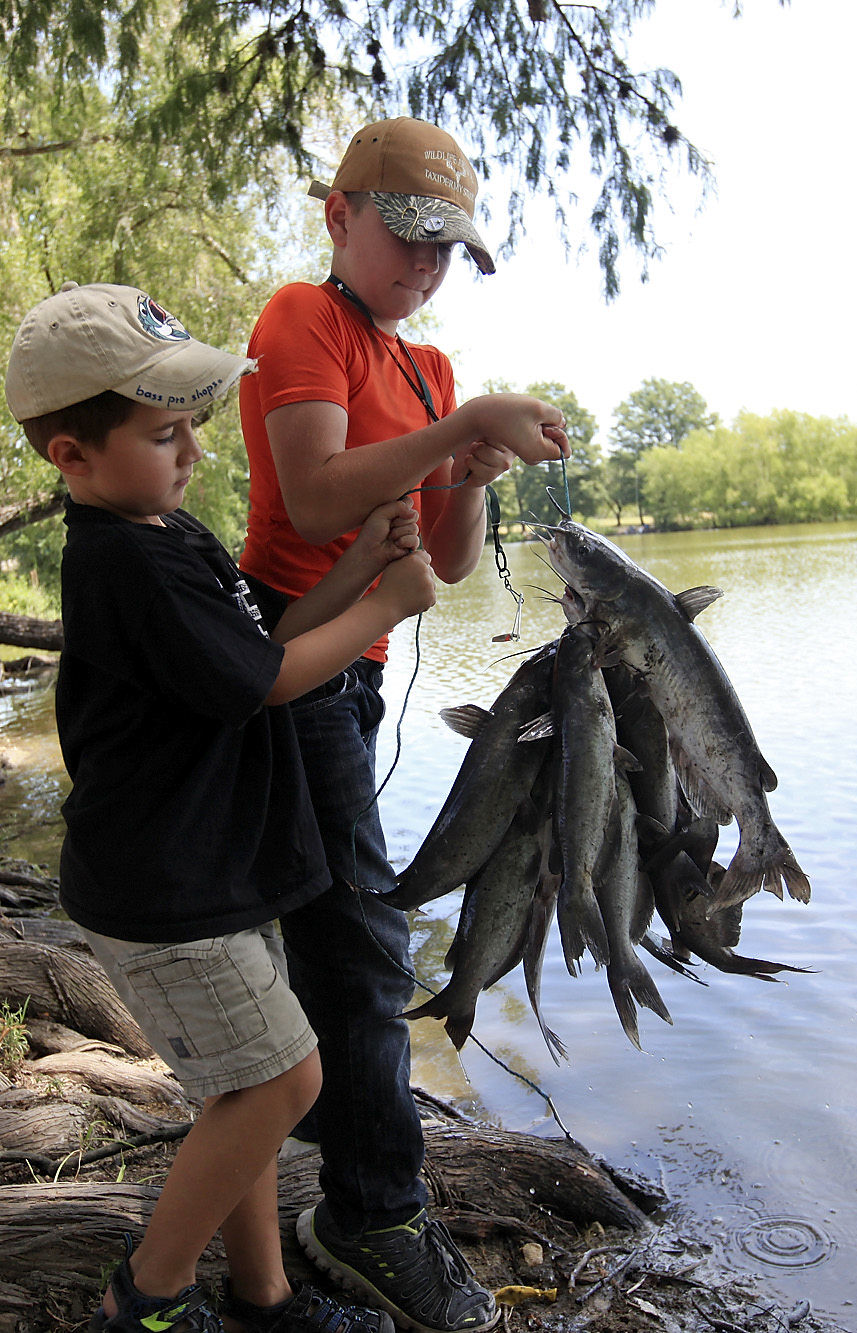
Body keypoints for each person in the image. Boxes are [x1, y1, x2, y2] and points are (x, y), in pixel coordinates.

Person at [6, 281, 429, 1333]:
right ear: (72, 455)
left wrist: (359, 566)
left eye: (192, 425)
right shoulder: (123, 562)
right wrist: (383, 605)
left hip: (207, 874)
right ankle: (145, 1296)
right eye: (164, 434)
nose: (193, 450)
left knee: (245, 1086)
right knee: (286, 1081)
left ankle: (261, 1296)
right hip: (166, 891)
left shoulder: (165, 532)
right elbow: (269, 684)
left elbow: (262, 641)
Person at [237, 117, 569, 1333]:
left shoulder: (425, 369)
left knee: (330, 931)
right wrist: (461, 422)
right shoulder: (301, 318)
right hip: (284, 652)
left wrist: (465, 475)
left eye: (448, 250)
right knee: (367, 942)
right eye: (410, 237)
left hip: (357, 669)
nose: (427, 267)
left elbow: (445, 555)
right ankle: (369, 1211)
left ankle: (318, 1129)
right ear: (339, 217)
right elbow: (314, 494)